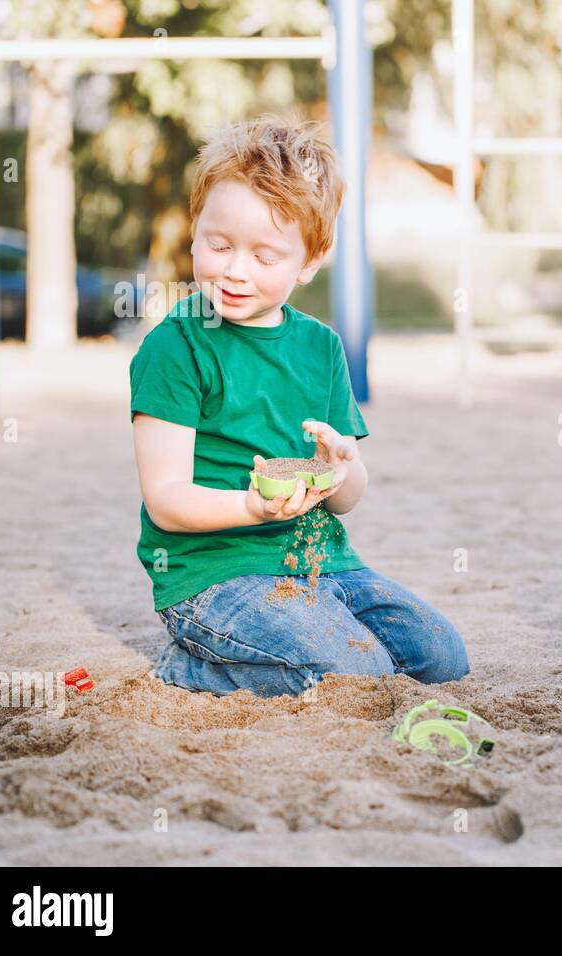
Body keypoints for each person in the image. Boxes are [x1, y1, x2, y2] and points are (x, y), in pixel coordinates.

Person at [129, 116, 468, 698]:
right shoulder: (177, 344)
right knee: (356, 676)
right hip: (216, 576)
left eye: (265, 255)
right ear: (195, 232)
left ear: (310, 260)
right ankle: (188, 665)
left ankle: (296, 644)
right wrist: (254, 508)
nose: (235, 269)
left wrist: (341, 467)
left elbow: (347, 499)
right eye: (218, 244)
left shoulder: (321, 347)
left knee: (441, 657)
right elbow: (166, 502)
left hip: (323, 564)